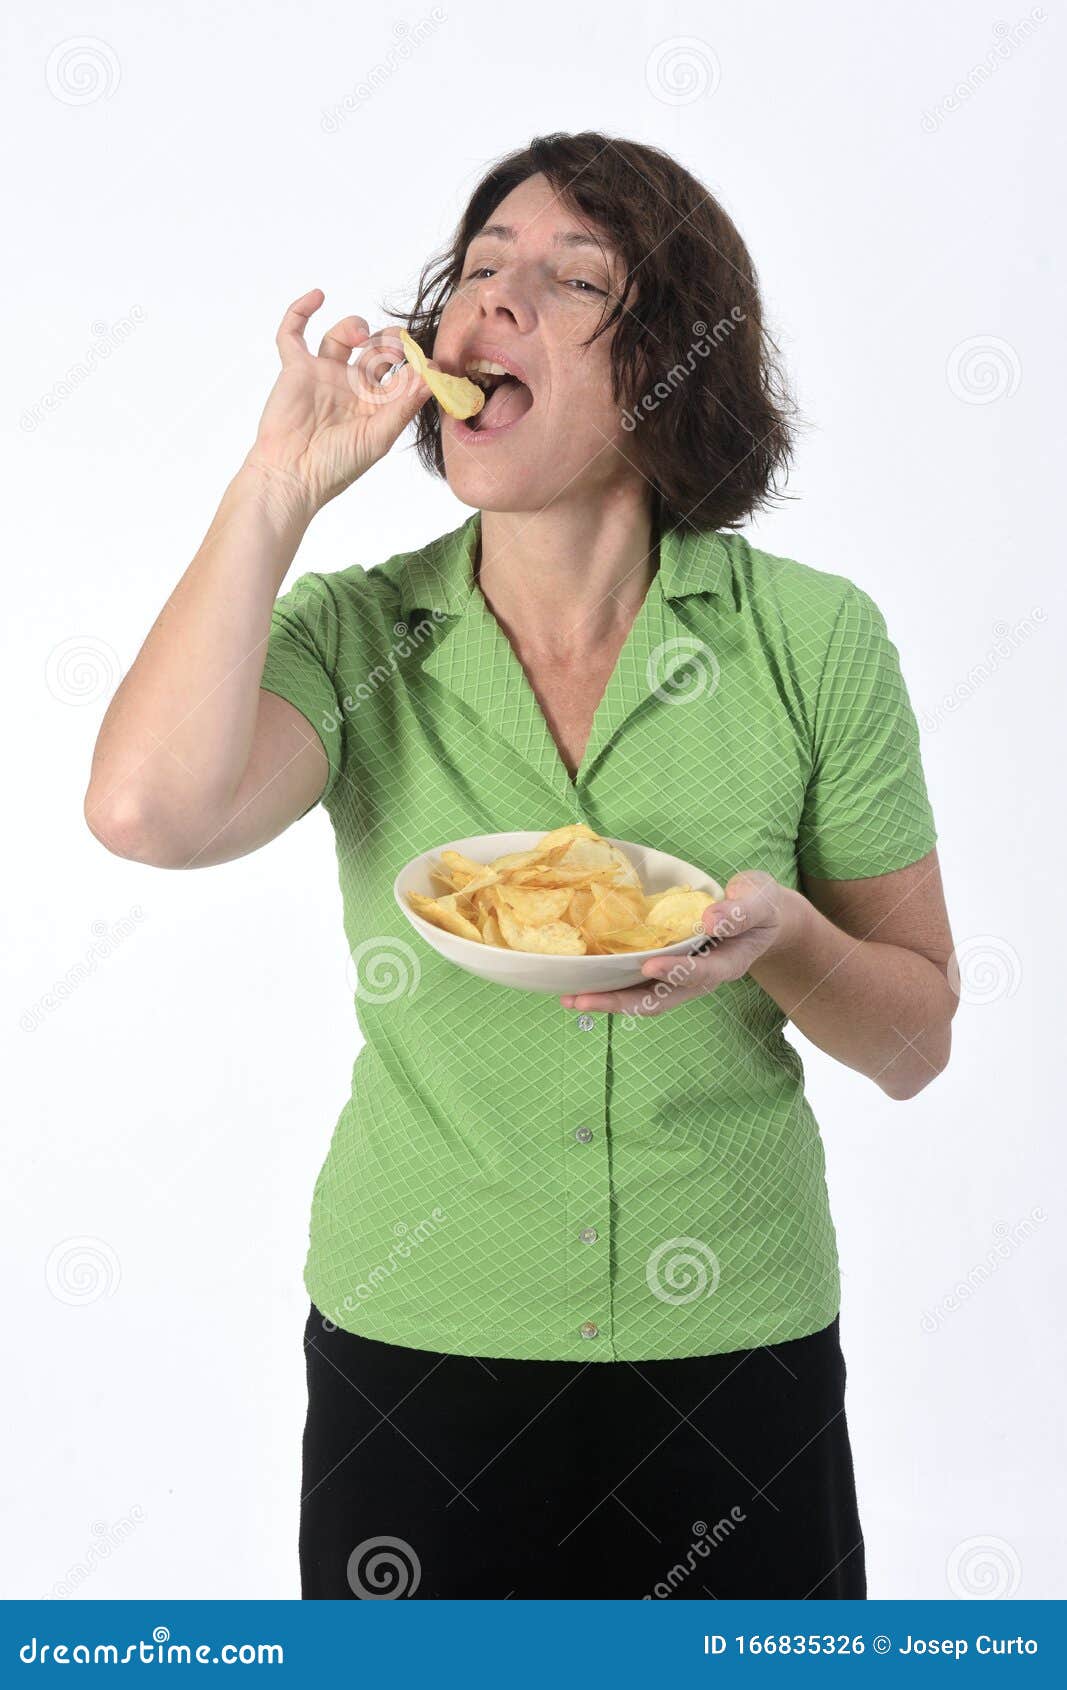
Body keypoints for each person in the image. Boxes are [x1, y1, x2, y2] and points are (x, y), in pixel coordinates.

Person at [83, 132, 957, 1600]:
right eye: (477, 269)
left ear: (671, 362)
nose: (492, 304)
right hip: (421, 1345)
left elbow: (919, 1036)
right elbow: (146, 812)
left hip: (732, 1346)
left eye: (569, 280)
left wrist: (790, 934)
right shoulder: (358, 638)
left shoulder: (816, 640)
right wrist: (278, 486)